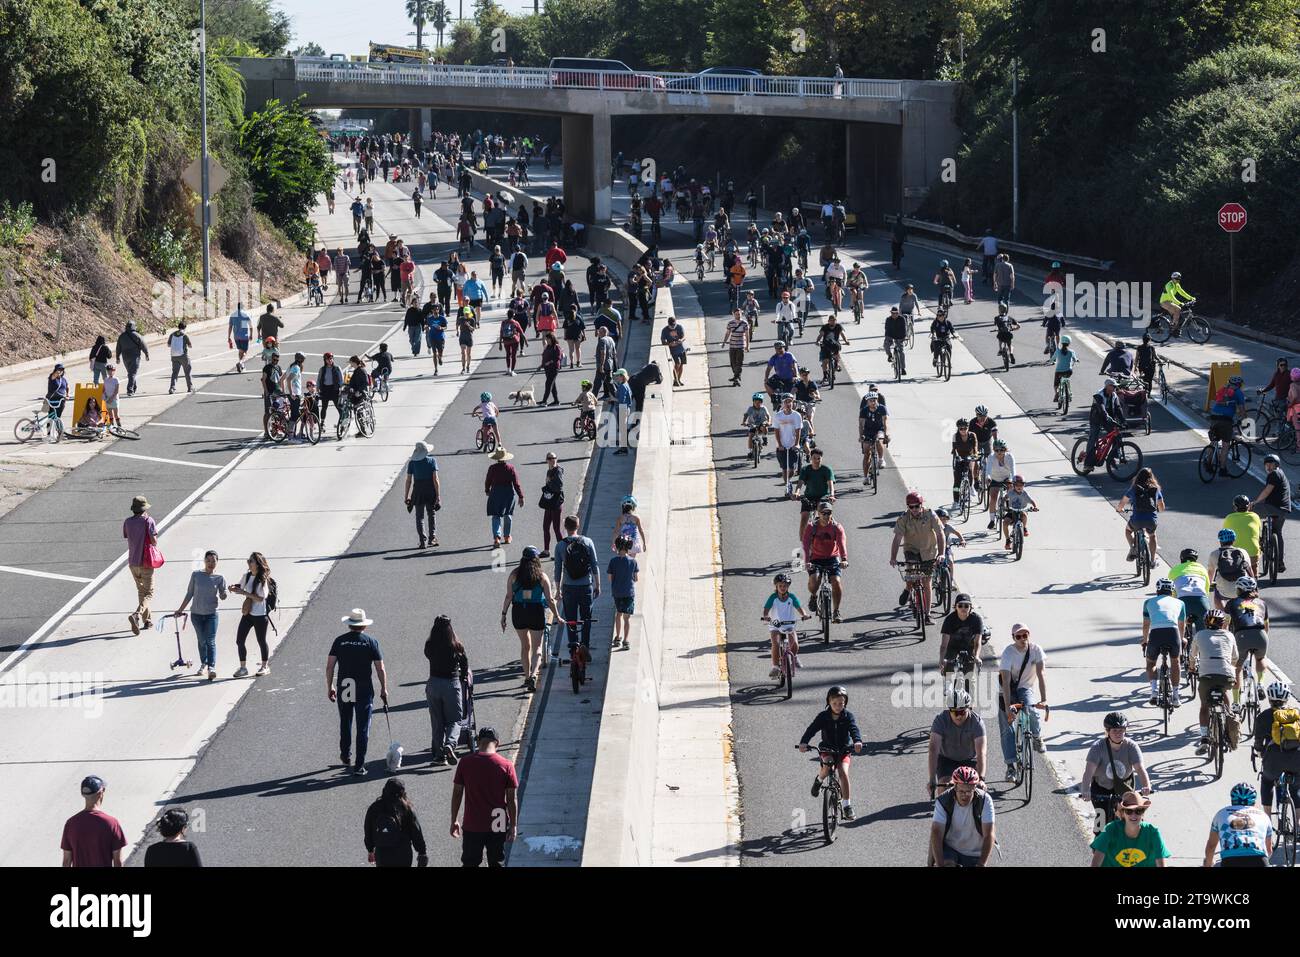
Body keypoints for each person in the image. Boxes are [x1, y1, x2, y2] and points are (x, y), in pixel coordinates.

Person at [327, 608, 389, 777]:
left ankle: (345, 754)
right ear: (364, 626)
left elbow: (330, 666)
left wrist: (330, 686)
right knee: (363, 726)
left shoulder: (340, 641)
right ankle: (359, 764)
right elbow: (380, 668)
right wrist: (384, 688)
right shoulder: (370, 642)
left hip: (346, 684)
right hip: (363, 687)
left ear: (350, 625)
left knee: (345, 721)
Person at [450, 726, 518, 867]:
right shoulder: (507, 766)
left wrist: (454, 820)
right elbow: (511, 800)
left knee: (470, 863)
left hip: (473, 822)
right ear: (497, 743)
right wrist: (513, 825)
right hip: (497, 821)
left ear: (478, 742)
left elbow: (457, 793)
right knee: (496, 862)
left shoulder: (465, 762)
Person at [1079, 712, 1153, 832]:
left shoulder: (1132, 746)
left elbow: (1140, 769)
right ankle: (1098, 847)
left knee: (1133, 819)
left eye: (1121, 730)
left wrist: (1146, 786)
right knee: (1100, 824)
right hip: (1101, 789)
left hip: (1125, 788)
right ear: (1107, 731)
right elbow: (1088, 772)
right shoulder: (1098, 747)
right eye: (1114, 731)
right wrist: (1086, 790)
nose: (1118, 733)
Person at [798, 686, 864, 820]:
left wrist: (857, 741)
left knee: (843, 772)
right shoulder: (823, 716)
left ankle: (847, 806)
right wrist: (804, 742)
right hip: (827, 749)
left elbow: (854, 729)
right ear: (829, 702)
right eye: (835, 703)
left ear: (845, 703)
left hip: (844, 750)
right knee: (827, 765)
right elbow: (811, 729)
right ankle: (819, 780)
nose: (838, 706)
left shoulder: (848, 716)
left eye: (841, 703)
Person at [501, 547, 560, 693]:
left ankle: (527, 676)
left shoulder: (514, 574)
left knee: (524, 646)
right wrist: (557, 616)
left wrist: (503, 614)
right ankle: (534, 675)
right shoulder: (541, 576)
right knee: (537, 647)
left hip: (519, 612)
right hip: (536, 612)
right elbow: (550, 599)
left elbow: (509, 596)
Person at [998, 623, 1047, 779]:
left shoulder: (1036, 650)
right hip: (1007, 691)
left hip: (1025, 688)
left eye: (1025, 635)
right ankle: (1011, 767)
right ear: (1013, 638)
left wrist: (1044, 699)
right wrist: (1007, 708)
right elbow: (1005, 681)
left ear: (1029, 636)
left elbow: (1041, 675)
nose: (1022, 639)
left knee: (1031, 709)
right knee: (1008, 728)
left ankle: (1037, 738)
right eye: (1018, 636)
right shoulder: (1008, 652)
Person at [1189, 608, 1240, 755]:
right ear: (1222, 623)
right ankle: (1228, 717)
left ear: (1206, 623)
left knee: (1204, 706)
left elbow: (1192, 656)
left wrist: (1192, 668)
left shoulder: (1199, 635)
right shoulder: (1229, 636)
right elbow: (1235, 658)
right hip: (1226, 675)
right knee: (1224, 693)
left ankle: (1204, 737)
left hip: (1206, 675)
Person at [890, 491, 946, 615]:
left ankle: (927, 614)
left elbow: (940, 534)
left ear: (921, 505)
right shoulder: (904, 518)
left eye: (917, 506)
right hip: (912, 550)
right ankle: (908, 588)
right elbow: (897, 538)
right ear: (908, 506)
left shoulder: (930, 514)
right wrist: (893, 557)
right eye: (911, 506)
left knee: (927, 581)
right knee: (911, 572)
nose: (914, 509)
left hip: (929, 551)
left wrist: (941, 553)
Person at [175, 550, 226, 681]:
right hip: (196, 614)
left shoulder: (220, 578)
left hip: (212, 614)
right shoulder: (196, 575)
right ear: (204, 561)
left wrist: (224, 594)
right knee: (202, 640)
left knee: (211, 641)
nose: (211, 563)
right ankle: (204, 663)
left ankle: (211, 668)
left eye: (213, 560)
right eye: (208, 560)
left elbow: (223, 594)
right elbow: (189, 593)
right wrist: (180, 609)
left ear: (217, 562)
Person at [1254, 680, 1300, 826]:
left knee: (1267, 781)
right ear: (1287, 698)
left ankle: (1267, 822)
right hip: (1296, 757)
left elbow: (1258, 742)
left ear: (1269, 698)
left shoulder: (1263, 717)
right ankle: (1298, 827)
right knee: (1296, 787)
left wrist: (1259, 752)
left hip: (1273, 759)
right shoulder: (1296, 714)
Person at [929, 765, 994, 867]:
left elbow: (989, 834)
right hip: (950, 848)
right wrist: (940, 864)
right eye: (961, 791)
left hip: (975, 852)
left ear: (975, 788)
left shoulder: (985, 800)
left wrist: (982, 864)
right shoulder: (943, 801)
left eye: (969, 791)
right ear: (955, 787)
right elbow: (936, 833)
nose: (965, 795)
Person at [554, 515, 600, 655]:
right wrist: (598, 584)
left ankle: (573, 647)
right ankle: (585, 645)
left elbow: (557, 569)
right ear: (578, 526)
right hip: (586, 585)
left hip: (569, 587)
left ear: (565, 527)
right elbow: (594, 565)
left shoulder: (560, 545)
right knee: (586, 617)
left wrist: (557, 589)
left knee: (571, 619)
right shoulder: (587, 541)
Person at [1090, 791, 1169, 867]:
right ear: (1123, 813)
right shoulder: (1110, 830)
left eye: (1138, 811)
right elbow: (1095, 864)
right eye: (1129, 811)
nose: (1133, 815)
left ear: (1143, 813)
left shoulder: (1153, 833)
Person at [928, 691, 987, 792]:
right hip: (946, 760)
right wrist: (932, 778)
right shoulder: (940, 720)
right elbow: (933, 749)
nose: (959, 716)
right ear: (949, 710)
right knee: (944, 788)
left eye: (962, 712)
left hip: (969, 760)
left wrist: (981, 779)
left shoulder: (977, 722)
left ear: (968, 708)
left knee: (975, 790)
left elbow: (981, 753)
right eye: (955, 712)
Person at [61, 775, 126, 867]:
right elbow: (118, 861)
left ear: (83, 794)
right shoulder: (111, 823)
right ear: (101, 793)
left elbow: (66, 861)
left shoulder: (71, 823)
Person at [1205, 782, 1273, 867]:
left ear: (1232, 800)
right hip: (1259, 860)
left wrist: (1208, 864)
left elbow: (1211, 846)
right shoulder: (1264, 816)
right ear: (1253, 801)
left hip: (1230, 861)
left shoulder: (1221, 814)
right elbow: (1269, 850)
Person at [801, 501, 848, 622]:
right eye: (824, 513)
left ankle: (836, 611)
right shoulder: (812, 527)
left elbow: (842, 544)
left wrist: (844, 559)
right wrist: (807, 561)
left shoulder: (836, 527)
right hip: (816, 558)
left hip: (832, 557)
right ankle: (813, 596)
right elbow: (805, 545)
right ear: (818, 514)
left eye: (829, 513)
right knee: (814, 581)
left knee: (836, 582)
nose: (827, 516)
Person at [365, 778, 428, 867]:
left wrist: (370, 850)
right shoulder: (406, 808)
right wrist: (422, 852)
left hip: (382, 853)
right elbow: (416, 832)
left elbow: (368, 831)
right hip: (403, 853)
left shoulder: (374, 808)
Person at [228, 552, 272, 678]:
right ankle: (243, 668)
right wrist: (234, 587)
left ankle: (265, 666)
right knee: (239, 640)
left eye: (251, 561)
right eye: (248, 561)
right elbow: (241, 586)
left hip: (260, 615)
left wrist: (243, 593)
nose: (249, 563)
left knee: (261, 641)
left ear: (258, 564)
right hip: (248, 614)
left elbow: (260, 598)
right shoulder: (247, 576)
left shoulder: (263, 579)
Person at [1224, 576, 1269, 697]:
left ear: (1239, 590)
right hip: (1261, 635)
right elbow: (1266, 626)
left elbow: (1225, 624)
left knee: (1237, 668)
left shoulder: (1231, 603)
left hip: (1242, 635)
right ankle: (1260, 683)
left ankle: (1236, 703)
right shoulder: (1262, 603)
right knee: (1260, 658)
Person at [762, 572, 811, 677]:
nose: (783, 588)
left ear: (788, 586)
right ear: (776, 586)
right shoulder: (773, 597)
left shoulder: (791, 597)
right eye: (780, 586)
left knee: (795, 644)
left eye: (785, 586)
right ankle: (775, 666)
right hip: (775, 625)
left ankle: (794, 657)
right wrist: (766, 616)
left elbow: (799, 607)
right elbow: (766, 609)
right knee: (775, 643)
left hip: (789, 624)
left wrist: (804, 614)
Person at [123, 495, 158, 636]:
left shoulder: (127, 522)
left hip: (133, 562)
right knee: (149, 593)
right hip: (146, 562)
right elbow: (154, 541)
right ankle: (137, 614)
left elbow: (127, 536)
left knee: (141, 591)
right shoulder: (148, 521)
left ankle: (147, 620)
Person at [1249, 454, 1290, 572]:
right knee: (1278, 532)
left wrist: (1255, 502)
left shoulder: (1274, 474)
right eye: (1266, 465)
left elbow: (1267, 491)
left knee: (1250, 513)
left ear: (1276, 465)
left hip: (1272, 507)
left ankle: (1258, 539)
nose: (1268, 467)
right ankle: (1280, 562)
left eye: (1271, 464)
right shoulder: (1281, 473)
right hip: (1284, 509)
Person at [938, 593, 984, 696]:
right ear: (955, 607)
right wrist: (941, 660)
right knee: (948, 663)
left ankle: (970, 705)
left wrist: (976, 657)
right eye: (960, 605)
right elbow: (944, 644)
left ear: (971, 607)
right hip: (952, 646)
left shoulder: (977, 619)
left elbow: (977, 642)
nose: (963, 608)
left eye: (966, 605)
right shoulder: (949, 620)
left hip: (969, 647)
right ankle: (948, 683)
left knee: (970, 678)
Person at [1116, 467, 1164, 561]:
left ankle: (1133, 548)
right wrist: (1158, 509)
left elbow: (1122, 503)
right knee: (1152, 535)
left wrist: (1119, 509)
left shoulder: (1134, 489)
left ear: (1138, 477)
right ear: (1151, 477)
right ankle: (1153, 560)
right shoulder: (1155, 489)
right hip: (1151, 520)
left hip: (1136, 520)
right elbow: (1162, 507)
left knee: (1128, 531)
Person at [403, 441, 441, 549]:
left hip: (418, 491)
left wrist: (406, 496)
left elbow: (408, 480)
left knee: (419, 517)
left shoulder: (412, 463)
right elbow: (435, 479)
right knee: (431, 514)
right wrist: (438, 495)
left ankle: (422, 541)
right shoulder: (432, 461)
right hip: (430, 490)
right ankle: (432, 538)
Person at [484, 447, 524, 547]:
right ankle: (507, 537)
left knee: (496, 515)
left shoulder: (492, 468)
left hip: (495, 493)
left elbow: (487, 481)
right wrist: (521, 496)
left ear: (496, 458)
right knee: (508, 514)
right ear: (505, 458)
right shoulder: (510, 468)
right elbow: (516, 483)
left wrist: (487, 490)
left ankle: (497, 538)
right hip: (508, 494)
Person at [1207, 375, 1246, 476]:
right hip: (1225, 420)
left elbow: (1217, 401)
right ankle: (1223, 469)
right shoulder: (1238, 392)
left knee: (1214, 441)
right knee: (1225, 445)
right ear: (1239, 385)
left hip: (1214, 416)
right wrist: (1244, 420)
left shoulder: (1223, 389)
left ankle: (1207, 462)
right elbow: (1242, 410)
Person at [1084, 378, 1126, 472]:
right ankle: (1087, 464)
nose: (1115, 387)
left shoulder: (1114, 395)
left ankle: (1112, 458)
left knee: (1117, 435)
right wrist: (1107, 416)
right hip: (1096, 418)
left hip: (1107, 419)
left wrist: (1123, 420)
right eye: (1113, 386)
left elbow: (1118, 408)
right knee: (1093, 439)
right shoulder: (1099, 395)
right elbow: (1101, 407)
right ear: (1107, 386)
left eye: (1115, 386)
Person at [1168, 547, 1212, 635]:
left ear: (1181, 559)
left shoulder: (1175, 569)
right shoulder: (1202, 568)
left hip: (1183, 601)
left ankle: (1181, 642)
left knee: (1178, 630)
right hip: (1201, 601)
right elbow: (1207, 589)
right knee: (1204, 633)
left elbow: (1171, 591)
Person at [794, 448, 835, 540]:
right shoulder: (805, 469)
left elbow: (830, 484)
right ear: (810, 458)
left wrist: (832, 495)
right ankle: (803, 542)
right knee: (804, 518)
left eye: (819, 458)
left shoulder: (827, 470)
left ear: (821, 459)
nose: (816, 460)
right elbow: (800, 483)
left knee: (826, 517)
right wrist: (797, 492)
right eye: (814, 458)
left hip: (823, 497)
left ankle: (832, 537)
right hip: (808, 497)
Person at [1209, 527, 1253, 610]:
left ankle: (1223, 616)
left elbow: (1211, 573)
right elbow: (1250, 571)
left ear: (1220, 541)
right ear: (1234, 540)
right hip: (1242, 590)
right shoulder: (1243, 552)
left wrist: (1209, 584)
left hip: (1224, 592)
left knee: (1217, 597)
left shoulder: (1214, 554)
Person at [608, 536, 639, 651]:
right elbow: (636, 579)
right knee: (627, 618)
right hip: (629, 592)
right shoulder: (633, 561)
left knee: (618, 614)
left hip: (617, 592)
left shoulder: (613, 561)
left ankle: (617, 637)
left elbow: (610, 578)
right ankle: (626, 640)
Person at [1223, 493, 1262, 577]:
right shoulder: (1255, 516)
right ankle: (1254, 580)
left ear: (1235, 507)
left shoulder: (1229, 518)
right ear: (1248, 506)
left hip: (1234, 554)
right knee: (1254, 565)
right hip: (1252, 553)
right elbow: (1259, 532)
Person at [982, 439, 1015, 531]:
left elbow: (1013, 470)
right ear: (994, 450)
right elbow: (988, 470)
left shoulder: (1010, 457)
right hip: (995, 479)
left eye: (1002, 450)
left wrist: (1013, 479)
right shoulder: (991, 457)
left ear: (1005, 449)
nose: (999, 452)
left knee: (1011, 490)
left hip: (1006, 478)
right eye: (997, 450)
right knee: (993, 498)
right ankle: (992, 520)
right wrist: (988, 477)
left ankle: (1010, 509)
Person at [772, 393, 803, 489]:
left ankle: (788, 481)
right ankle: (787, 485)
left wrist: (797, 444)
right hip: (782, 446)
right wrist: (780, 445)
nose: (788, 403)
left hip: (793, 445)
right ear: (782, 403)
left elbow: (798, 431)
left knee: (792, 469)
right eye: (786, 402)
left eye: (790, 401)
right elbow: (776, 431)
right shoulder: (778, 416)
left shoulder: (796, 415)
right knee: (784, 469)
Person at [114, 320, 149, 396]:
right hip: (135, 357)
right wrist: (146, 354)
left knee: (131, 373)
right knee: (132, 373)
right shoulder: (137, 335)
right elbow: (144, 345)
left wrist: (117, 357)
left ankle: (134, 387)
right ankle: (130, 390)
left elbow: (118, 347)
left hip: (125, 357)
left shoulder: (122, 336)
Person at [1158, 270, 1194, 336]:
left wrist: (1191, 298)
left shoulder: (1177, 285)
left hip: (1170, 302)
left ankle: (1174, 328)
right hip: (1164, 302)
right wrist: (1179, 303)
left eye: (1179, 279)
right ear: (1172, 278)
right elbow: (1171, 296)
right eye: (1176, 279)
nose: (1177, 280)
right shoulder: (1169, 285)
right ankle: (1172, 329)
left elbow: (1182, 292)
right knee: (1177, 310)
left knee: (1178, 311)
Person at [661, 315, 687, 388]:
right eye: (671, 325)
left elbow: (684, 336)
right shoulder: (665, 330)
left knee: (682, 364)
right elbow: (663, 341)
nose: (672, 327)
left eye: (674, 325)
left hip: (681, 348)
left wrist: (680, 340)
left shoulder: (679, 327)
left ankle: (678, 380)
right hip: (673, 350)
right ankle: (675, 380)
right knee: (677, 364)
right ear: (668, 324)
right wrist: (669, 344)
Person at [1051, 334, 1078, 405]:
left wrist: (1051, 361)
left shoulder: (1058, 351)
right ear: (1069, 343)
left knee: (1056, 384)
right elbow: (1075, 359)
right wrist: (1076, 360)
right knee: (1066, 378)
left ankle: (1056, 393)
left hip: (1059, 371)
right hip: (1069, 371)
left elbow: (1052, 359)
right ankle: (1068, 391)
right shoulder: (1071, 352)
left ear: (1061, 342)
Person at [883, 306, 908, 374]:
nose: (894, 315)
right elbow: (887, 330)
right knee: (886, 345)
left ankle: (903, 368)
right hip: (890, 336)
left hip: (900, 337)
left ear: (898, 313)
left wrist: (904, 338)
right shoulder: (888, 319)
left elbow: (904, 330)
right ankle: (890, 355)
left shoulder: (902, 319)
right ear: (891, 313)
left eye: (896, 313)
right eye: (893, 313)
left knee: (901, 352)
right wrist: (888, 338)